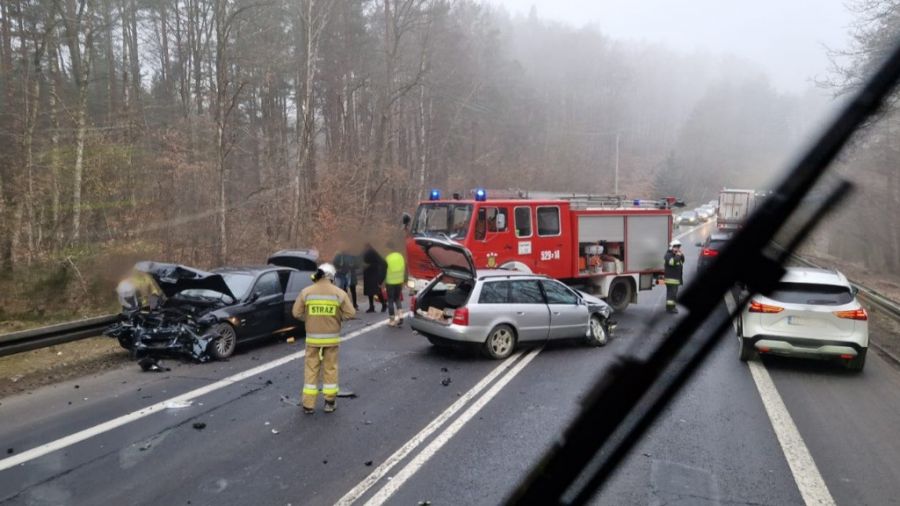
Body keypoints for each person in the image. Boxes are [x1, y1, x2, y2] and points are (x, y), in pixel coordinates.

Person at [292, 263, 356, 414]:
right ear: (331, 276)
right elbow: (351, 313)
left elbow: (296, 313)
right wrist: (337, 318)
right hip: (331, 340)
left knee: (311, 369)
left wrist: (308, 319)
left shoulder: (306, 292)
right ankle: (329, 403)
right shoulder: (339, 293)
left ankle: (308, 405)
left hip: (312, 339)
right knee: (330, 369)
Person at [384, 242, 407, 327]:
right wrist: (405, 279)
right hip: (399, 281)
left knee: (390, 300)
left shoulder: (388, 258)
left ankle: (392, 320)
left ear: (389, 249)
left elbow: (384, 270)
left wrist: (381, 282)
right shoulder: (400, 256)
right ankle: (400, 315)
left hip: (390, 282)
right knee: (397, 298)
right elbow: (405, 267)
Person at [362, 244, 387, 313]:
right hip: (367, 274)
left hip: (374, 274)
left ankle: (384, 304)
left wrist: (370, 266)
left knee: (377, 291)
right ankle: (371, 306)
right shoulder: (364, 252)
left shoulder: (374, 252)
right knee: (369, 291)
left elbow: (383, 263)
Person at [663, 239, 685, 314]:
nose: (677, 248)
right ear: (671, 247)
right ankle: (671, 308)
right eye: (676, 247)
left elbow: (682, 261)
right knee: (672, 295)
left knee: (672, 294)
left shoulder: (676, 255)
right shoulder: (668, 255)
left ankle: (670, 307)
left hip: (675, 279)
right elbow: (672, 262)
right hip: (671, 279)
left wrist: (681, 255)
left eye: (678, 247)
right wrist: (678, 255)